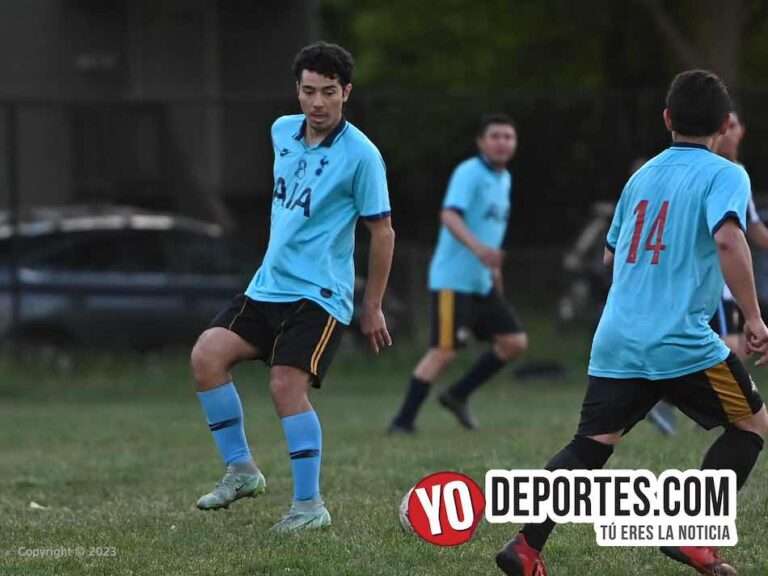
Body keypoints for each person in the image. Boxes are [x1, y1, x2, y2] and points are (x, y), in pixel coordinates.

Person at [495, 70, 768, 576]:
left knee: (591, 446)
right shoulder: (726, 173)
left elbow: (611, 255)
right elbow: (729, 239)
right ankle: (694, 536)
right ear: (723, 125)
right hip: (680, 339)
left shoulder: (640, 178)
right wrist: (753, 316)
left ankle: (525, 546)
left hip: (618, 337)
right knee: (752, 424)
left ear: (667, 118)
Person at [189, 41, 395, 533]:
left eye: (329, 92)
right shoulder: (282, 131)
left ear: (346, 92)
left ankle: (309, 506)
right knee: (207, 357)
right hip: (268, 285)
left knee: (286, 385)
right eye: (309, 91)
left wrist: (372, 305)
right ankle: (242, 471)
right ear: (297, 90)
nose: (317, 102)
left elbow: (383, 232)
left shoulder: (362, 156)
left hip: (319, 295)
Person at [389, 114, 526, 433]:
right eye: (495, 136)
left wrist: (494, 270)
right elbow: (449, 215)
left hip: (481, 282)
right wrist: (479, 249)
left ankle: (457, 395)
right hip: (453, 281)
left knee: (514, 342)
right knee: (443, 351)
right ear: (481, 142)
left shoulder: (504, 178)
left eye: (508, 137)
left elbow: (491, 232)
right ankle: (402, 422)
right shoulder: (469, 172)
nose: (502, 142)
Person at [711, 112, 768, 357]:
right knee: (728, 350)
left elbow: (753, 225)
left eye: (732, 125)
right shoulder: (710, 172)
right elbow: (727, 238)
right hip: (710, 279)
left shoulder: (738, 174)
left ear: (741, 130)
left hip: (731, 281)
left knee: (735, 350)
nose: (726, 132)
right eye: (722, 125)